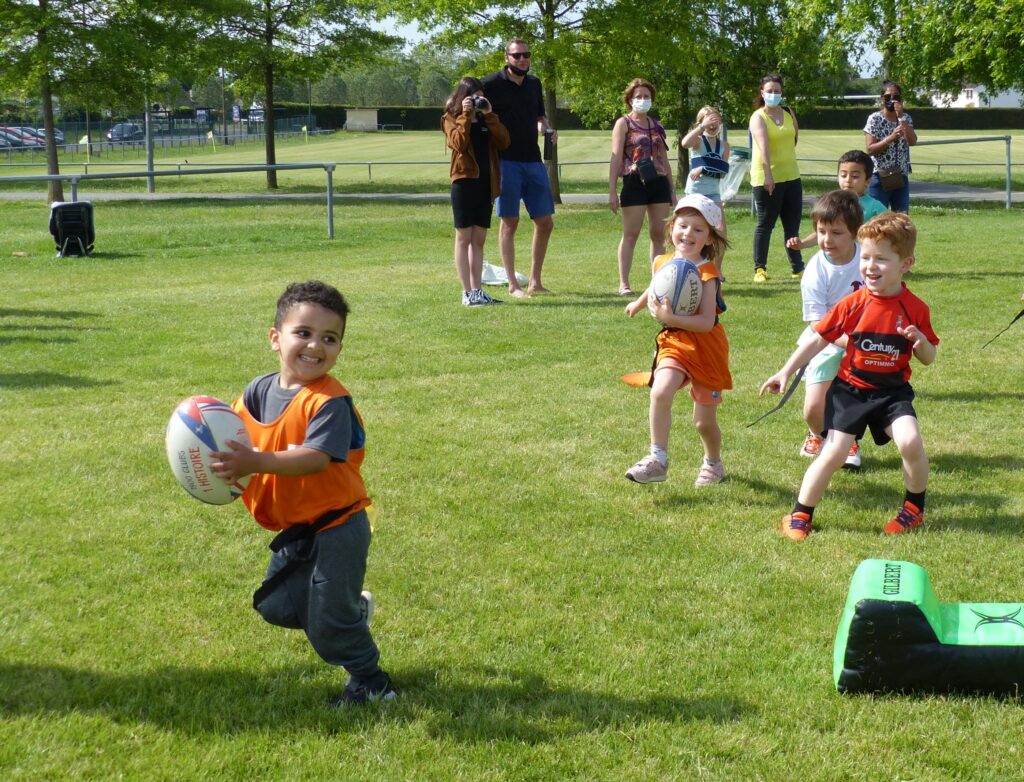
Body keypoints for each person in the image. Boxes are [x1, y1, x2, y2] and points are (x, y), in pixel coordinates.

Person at [210, 281, 395, 706]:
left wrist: (255, 462)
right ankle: (348, 614)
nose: (315, 346)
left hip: (337, 526)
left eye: (329, 338)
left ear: (340, 347)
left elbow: (314, 458)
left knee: (329, 625)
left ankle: (373, 684)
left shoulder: (329, 401)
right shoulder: (256, 392)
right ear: (276, 338)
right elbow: (231, 441)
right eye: (304, 333)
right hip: (297, 531)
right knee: (275, 606)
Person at [760, 213, 939, 540]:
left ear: (906, 263)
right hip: (851, 391)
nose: (870, 266)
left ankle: (914, 510)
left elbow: (928, 358)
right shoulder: (852, 304)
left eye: (881, 259)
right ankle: (800, 513)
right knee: (834, 450)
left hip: (893, 393)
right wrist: (785, 371)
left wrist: (921, 342)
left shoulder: (916, 308)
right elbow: (817, 338)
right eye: (866, 257)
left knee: (911, 441)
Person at [623, 194, 732, 487]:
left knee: (703, 423)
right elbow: (658, 284)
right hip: (675, 342)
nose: (688, 234)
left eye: (698, 229)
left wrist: (671, 318)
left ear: (709, 238)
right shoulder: (662, 261)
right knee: (660, 390)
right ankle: (657, 459)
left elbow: (707, 321)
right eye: (683, 226)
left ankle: (713, 463)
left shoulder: (708, 272)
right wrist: (640, 301)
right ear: (671, 228)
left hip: (707, 344)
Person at [788, 190, 866, 469]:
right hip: (825, 340)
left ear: (855, 233)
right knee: (813, 407)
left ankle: (848, 440)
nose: (826, 240)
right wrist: (847, 341)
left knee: (853, 398)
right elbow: (817, 323)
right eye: (821, 231)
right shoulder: (814, 270)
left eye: (836, 232)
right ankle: (816, 433)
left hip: (860, 344)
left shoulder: (867, 260)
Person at [483, 37, 556, 297]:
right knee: (510, 222)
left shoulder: (534, 84)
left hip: (533, 160)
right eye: (517, 55)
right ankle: (513, 284)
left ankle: (535, 281)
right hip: (505, 161)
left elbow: (539, 117)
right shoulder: (490, 84)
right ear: (507, 58)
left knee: (545, 222)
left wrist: (547, 131)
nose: (523, 59)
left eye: (526, 55)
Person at [442, 76, 511, 307]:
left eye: (482, 96)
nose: (479, 99)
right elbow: (459, 144)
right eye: (475, 96)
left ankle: (478, 291)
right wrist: (464, 116)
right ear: (464, 97)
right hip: (463, 182)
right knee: (464, 238)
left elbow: (504, 141)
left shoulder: (486, 117)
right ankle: (466, 292)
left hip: (485, 183)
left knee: (479, 239)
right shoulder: (450, 118)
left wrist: (489, 114)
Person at [608, 79, 675, 296]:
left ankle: (658, 283)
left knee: (658, 234)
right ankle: (624, 284)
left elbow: (664, 158)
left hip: (658, 183)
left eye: (646, 96)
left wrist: (672, 189)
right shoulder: (623, 123)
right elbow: (616, 157)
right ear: (630, 99)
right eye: (638, 96)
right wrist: (611, 190)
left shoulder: (656, 125)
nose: (643, 100)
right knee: (631, 234)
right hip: (634, 181)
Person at [748, 74, 803, 282]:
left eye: (777, 91)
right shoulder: (758, 117)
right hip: (767, 178)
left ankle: (797, 267)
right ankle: (760, 269)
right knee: (766, 224)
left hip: (792, 176)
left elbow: (794, 139)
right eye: (769, 91)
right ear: (762, 93)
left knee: (792, 225)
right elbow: (763, 147)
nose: (773, 94)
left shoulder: (788, 112)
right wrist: (769, 175)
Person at [787, 150, 885, 250]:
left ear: (868, 180)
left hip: (862, 260)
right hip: (834, 260)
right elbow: (823, 231)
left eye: (855, 176)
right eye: (843, 175)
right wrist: (803, 244)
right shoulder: (831, 203)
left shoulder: (876, 207)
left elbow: (889, 235)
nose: (848, 180)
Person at [681, 106, 730, 273]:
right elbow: (684, 143)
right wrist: (701, 128)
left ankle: (716, 270)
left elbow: (723, 172)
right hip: (695, 191)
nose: (713, 124)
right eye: (709, 120)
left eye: (716, 120)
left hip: (713, 192)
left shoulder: (724, 146)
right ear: (700, 122)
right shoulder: (698, 141)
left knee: (721, 232)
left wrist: (703, 168)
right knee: (691, 230)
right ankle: (688, 266)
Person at [864, 80, 917, 213]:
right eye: (888, 97)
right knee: (877, 219)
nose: (892, 100)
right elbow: (870, 149)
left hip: (900, 176)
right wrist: (890, 138)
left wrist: (902, 118)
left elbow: (912, 141)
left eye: (896, 97)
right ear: (882, 99)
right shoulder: (875, 119)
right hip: (879, 176)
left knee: (902, 219)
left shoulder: (906, 118)